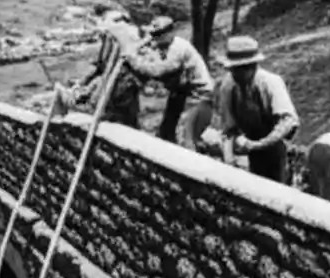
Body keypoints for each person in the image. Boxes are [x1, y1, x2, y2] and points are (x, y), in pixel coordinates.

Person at [210, 36, 299, 182]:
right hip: (250, 148)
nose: (237, 74)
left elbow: (288, 120)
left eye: (242, 69)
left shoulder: (270, 83)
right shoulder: (228, 86)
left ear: (253, 67)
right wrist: (230, 155)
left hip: (275, 147)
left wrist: (260, 144)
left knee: (278, 187)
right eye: (234, 70)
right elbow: (228, 128)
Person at [123, 16, 214, 144]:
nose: (156, 37)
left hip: (197, 96)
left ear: (170, 32)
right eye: (154, 34)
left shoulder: (178, 48)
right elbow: (150, 55)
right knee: (166, 132)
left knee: (186, 136)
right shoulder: (164, 46)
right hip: (180, 93)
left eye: (159, 34)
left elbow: (157, 71)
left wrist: (133, 59)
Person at [62, 7, 148, 127]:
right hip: (113, 78)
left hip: (122, 80)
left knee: (123, 113)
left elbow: (115, 66)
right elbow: (100, 65)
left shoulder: (122, 34)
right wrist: (83, 83)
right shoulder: (109, 38)